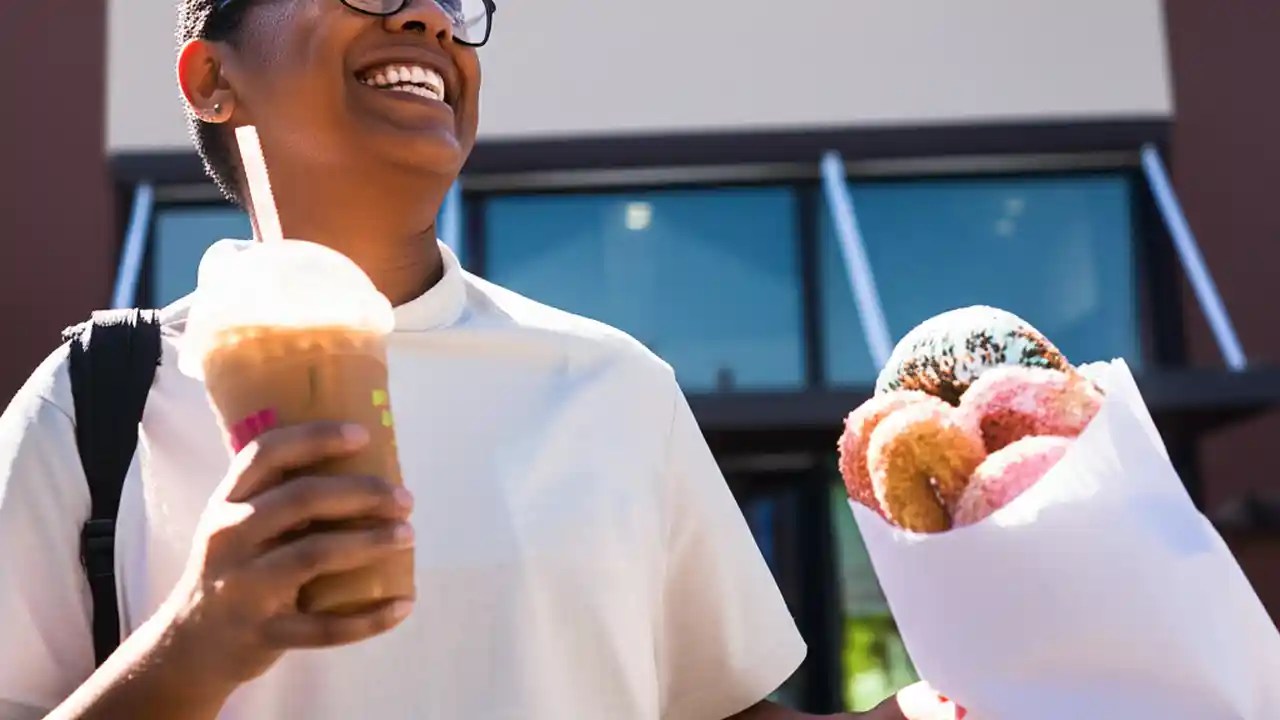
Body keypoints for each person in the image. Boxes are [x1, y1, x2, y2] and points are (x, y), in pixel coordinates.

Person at [0, 1, 920, 718]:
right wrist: (199, 640)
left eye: (454, 3)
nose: (432, 20)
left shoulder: (615, 385)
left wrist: (959, 696)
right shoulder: (95, 405)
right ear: (211, 77)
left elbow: (719, 714)